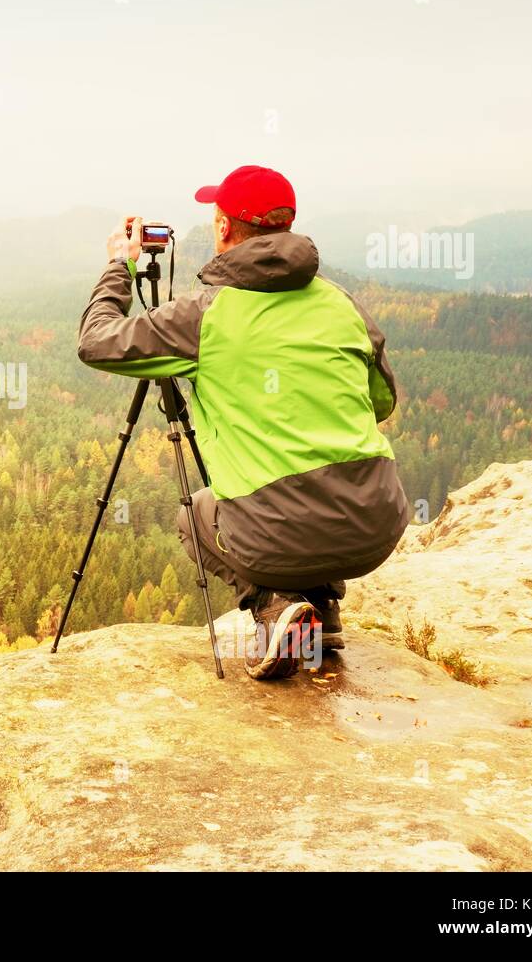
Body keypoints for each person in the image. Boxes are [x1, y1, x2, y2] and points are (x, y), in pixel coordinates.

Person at [76, 165, 410, 679]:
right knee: (302, 502)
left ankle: (275, 606)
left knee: (194, 515)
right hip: (376, 526)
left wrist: (119, 265)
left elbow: (97, 340)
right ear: (288, 226)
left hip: (276, 536)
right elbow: (381, 403)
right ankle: (324, 611)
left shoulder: (205, 315)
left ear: (224, 229)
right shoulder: (343, 304)